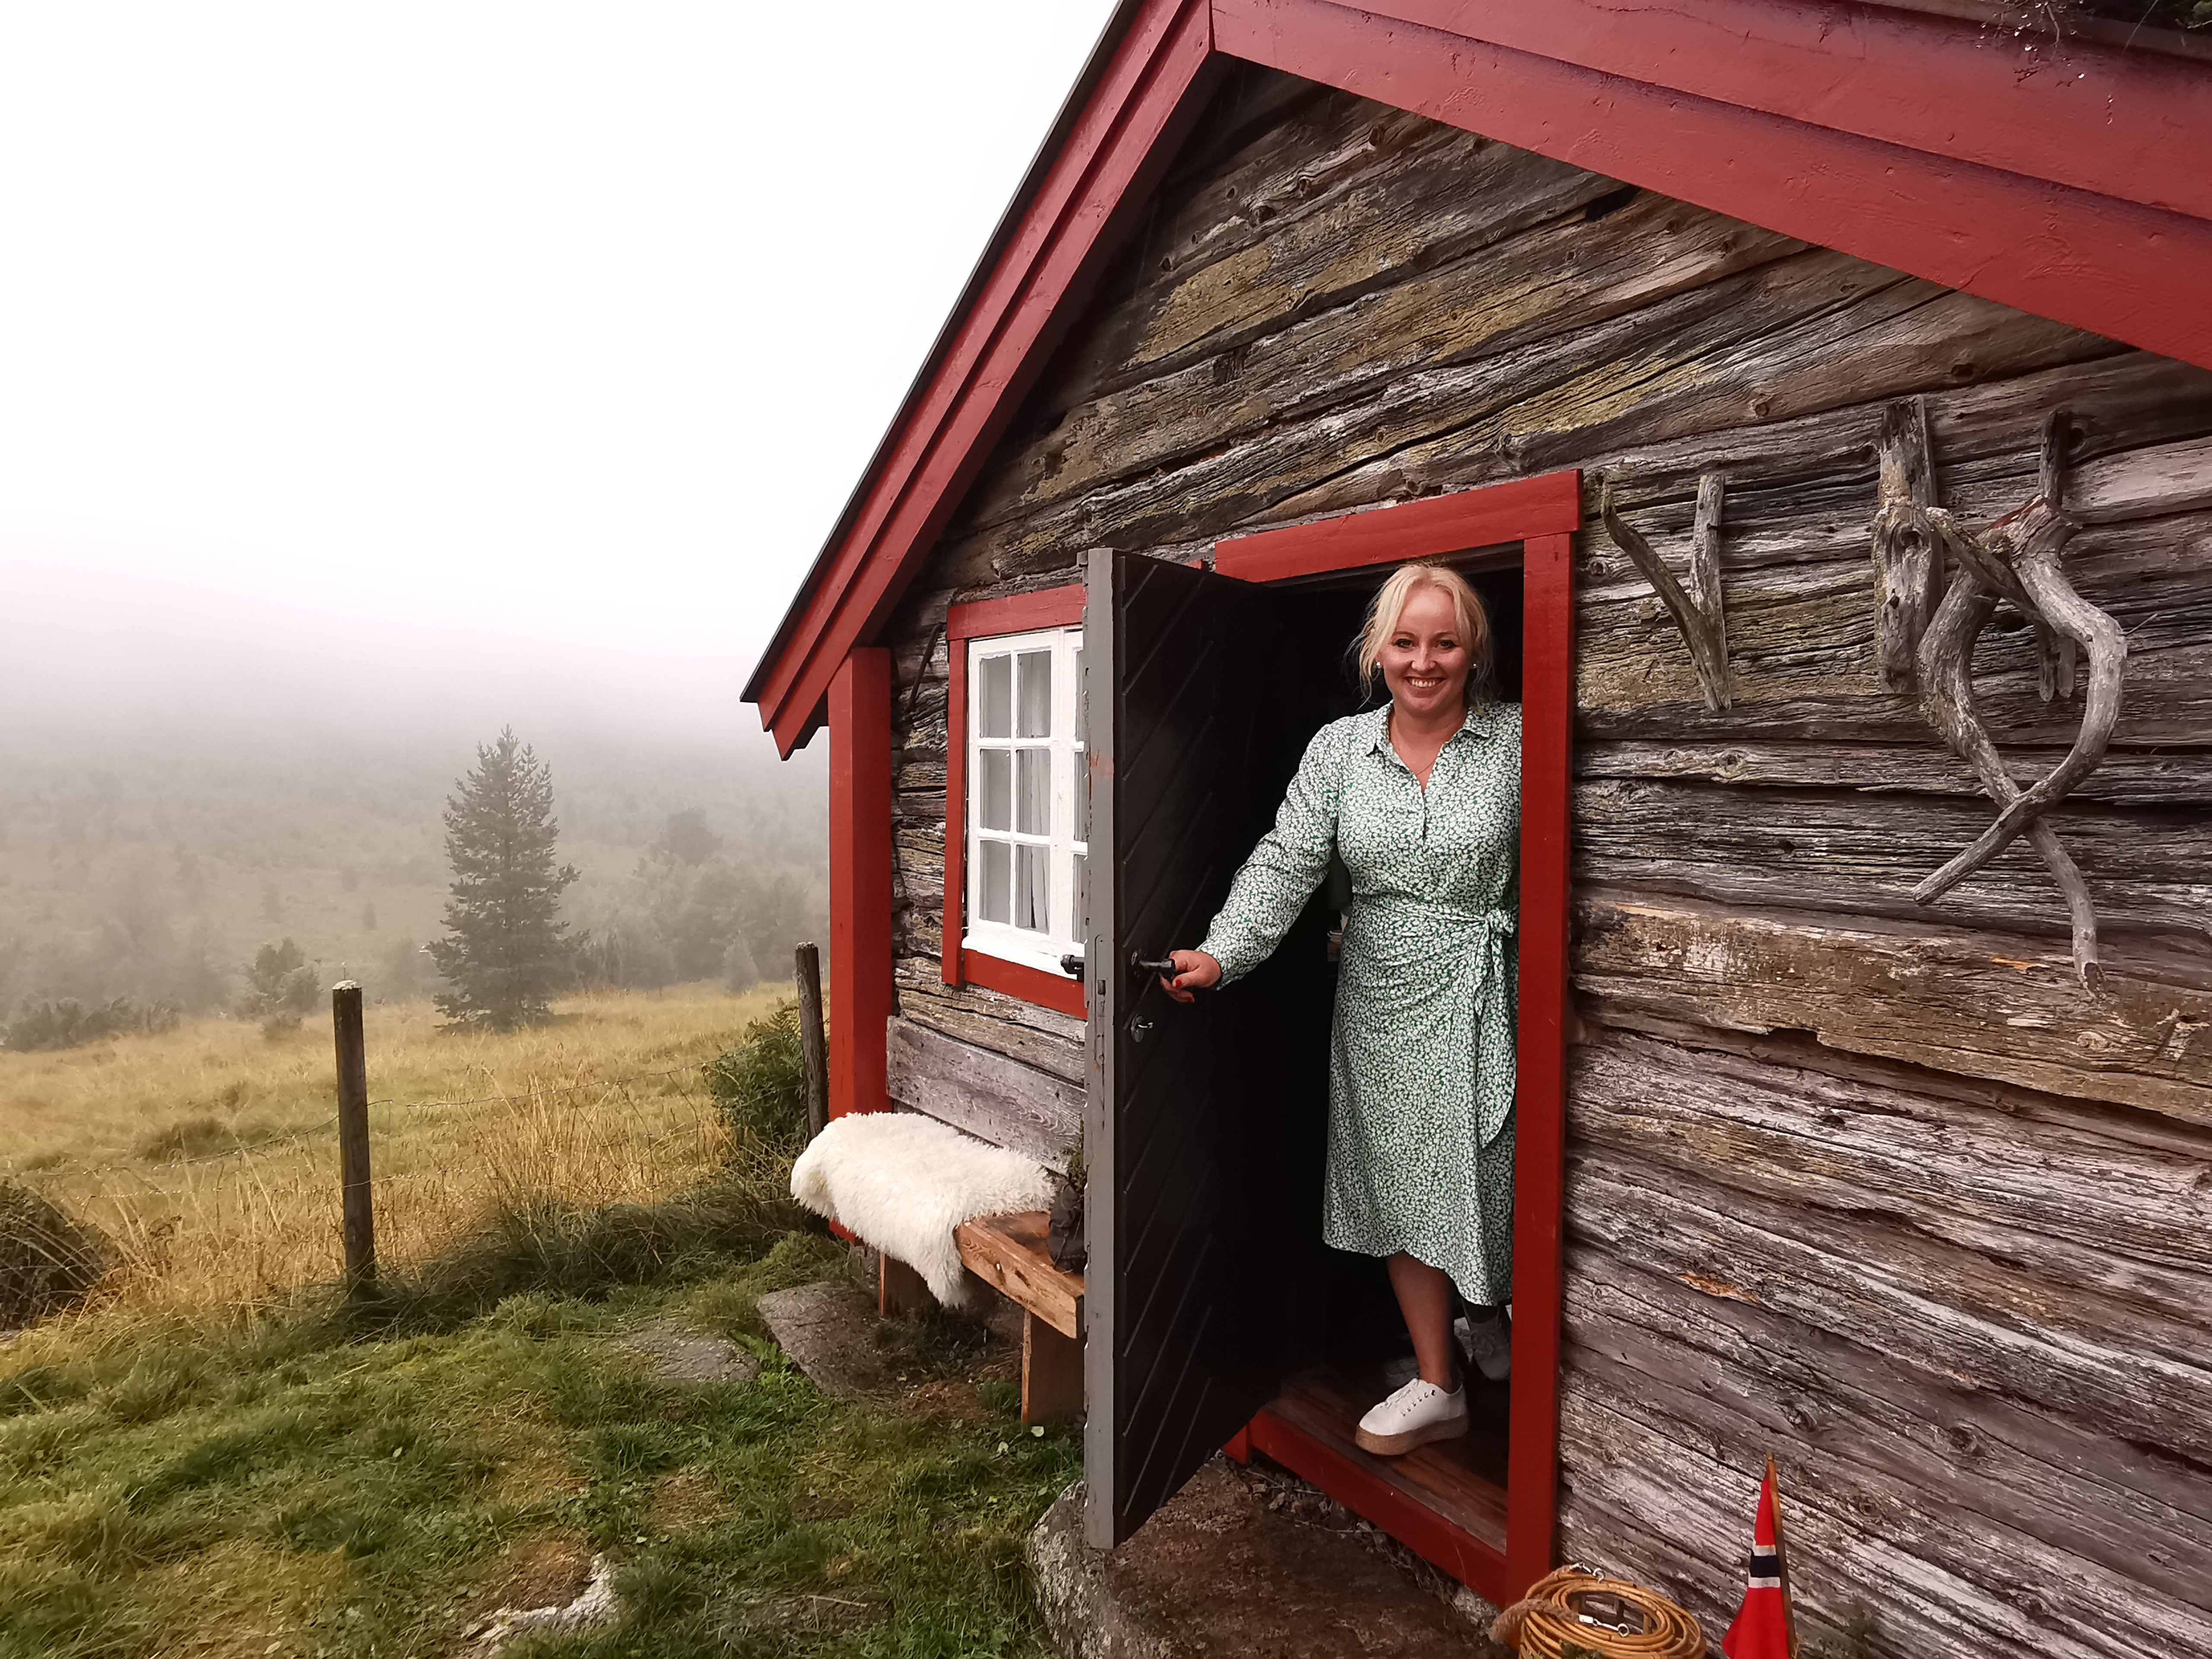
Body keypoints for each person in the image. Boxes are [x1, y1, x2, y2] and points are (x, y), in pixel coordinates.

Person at [1160, 562, 1518, 1457]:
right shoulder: (1338, 750)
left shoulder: (1520, 739)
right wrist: (1220, 954)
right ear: (1377, 651)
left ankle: (1494, 1312)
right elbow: (1286, 862)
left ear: (1474, 651)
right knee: (1403, 1181)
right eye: (1405, 642)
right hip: (1382, 990)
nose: (1423, 662)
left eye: (1443, 642)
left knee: (1494, 1168)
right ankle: (1441, 1381)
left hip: (1494, 984)